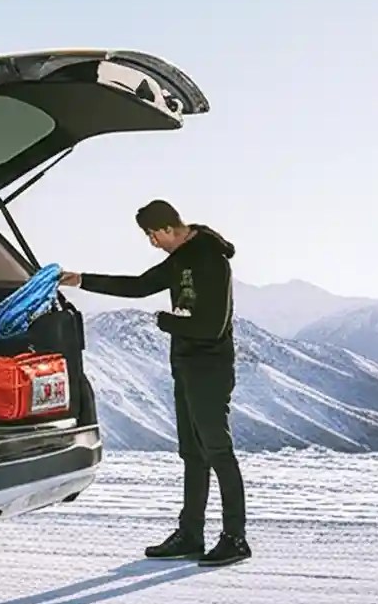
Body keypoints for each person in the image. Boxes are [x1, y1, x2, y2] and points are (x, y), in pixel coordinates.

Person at [60, 199, 250, 567]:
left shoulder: (209, 257)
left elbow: (211, 326)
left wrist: (167, 321)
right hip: (187, 364)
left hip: (210, 366)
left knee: (217, 451)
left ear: (165, 228)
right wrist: (81, 279)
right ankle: (191, 534)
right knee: (192, 453)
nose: (152, 243)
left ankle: (235, 538)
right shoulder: (179, 259)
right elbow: (139, 285)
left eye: (151, 235)